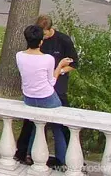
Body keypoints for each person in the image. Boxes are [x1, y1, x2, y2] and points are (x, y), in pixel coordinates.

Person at [15, 15, 78, 168]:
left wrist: (62, 69)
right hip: (46, 90)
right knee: (38, 124)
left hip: (52, 89)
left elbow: (74, 64)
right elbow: (50, 80)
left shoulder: (63, 41)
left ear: (49, 30)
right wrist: (58, 67)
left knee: (59, 126)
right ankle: (28, 153)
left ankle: (60, 158)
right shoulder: (47, 56)